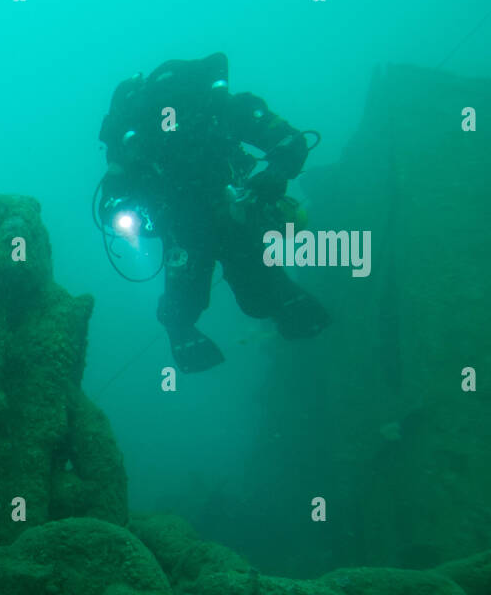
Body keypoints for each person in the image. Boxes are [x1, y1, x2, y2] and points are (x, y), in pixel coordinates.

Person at [95, 52, 331, 373]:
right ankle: (186, 326)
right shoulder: (141, 138)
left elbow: (289, 141)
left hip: (231, 214)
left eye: (182, 109)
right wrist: (143, 218)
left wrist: (273, 177)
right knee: (184, 308)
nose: (176, 123)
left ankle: (278, 296)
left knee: (255, 299)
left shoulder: (219, 112)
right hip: (185, 226)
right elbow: (111, 204)